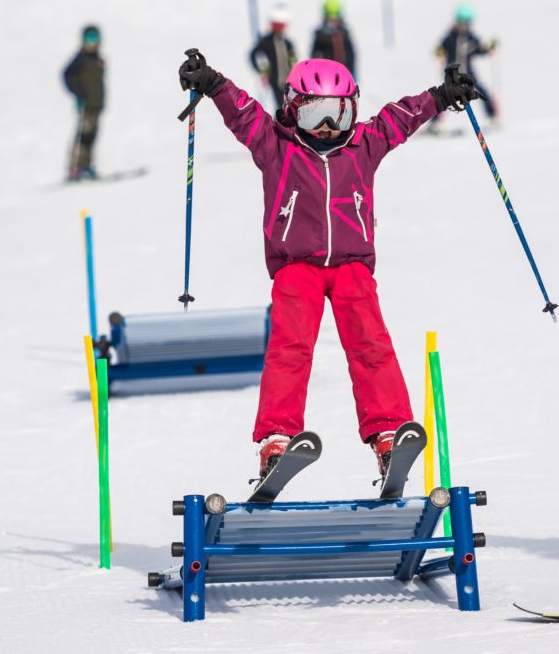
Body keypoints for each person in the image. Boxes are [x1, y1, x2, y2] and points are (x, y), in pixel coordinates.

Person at [175, 50, 483, 482]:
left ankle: (389, 434)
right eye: (316, 114)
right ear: (293, 108)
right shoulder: (275, 144)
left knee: (371, 346)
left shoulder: (363, 144)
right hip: (296, 266)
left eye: (339, 114)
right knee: (289, 351)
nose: (326, 127)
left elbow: (401, 118)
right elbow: (243, 112)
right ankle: (276, 441)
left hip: (352, 267)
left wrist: (440, 95)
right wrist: (211, 83)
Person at [432, 5, 499, 127]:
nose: (463, 26)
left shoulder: (471, 38)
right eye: (461, 22)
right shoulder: (450, 37)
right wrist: (439, 52)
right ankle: (434, 123)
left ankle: (492, 116)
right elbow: (440, 48)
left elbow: (480, 49)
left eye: (466, 23)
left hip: (468, 73)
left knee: (482, 92)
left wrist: (489, 49)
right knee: (445, 96)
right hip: (452, 74)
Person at [61, 24, 105, 181]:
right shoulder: (80, 58)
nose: (92, 43)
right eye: (89, 39)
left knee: (92, 135)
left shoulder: (97, 59)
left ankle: (86, 166)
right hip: (85, 105)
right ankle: (75, 168)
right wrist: (78, 93)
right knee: (83, 135)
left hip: (96, 105)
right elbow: (66, 74)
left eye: (95, 39)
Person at [249, 5, 298, 112]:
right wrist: (262, 70)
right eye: (277, 25)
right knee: (280, 107)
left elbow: (293, 59)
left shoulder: (287, 43)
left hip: (289, 82)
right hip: (274, 81)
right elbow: (254, 55)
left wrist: (295, 71)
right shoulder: (266, 42)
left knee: (291, 107)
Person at [310, 0, 357, 76]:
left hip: (345, 73)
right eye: (330, 18)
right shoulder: (320, 35)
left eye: (335, 18)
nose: (333, 21)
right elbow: (315, 56)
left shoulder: (344, 33)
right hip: (326, 75)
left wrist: (351, 71)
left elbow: (351, 54)